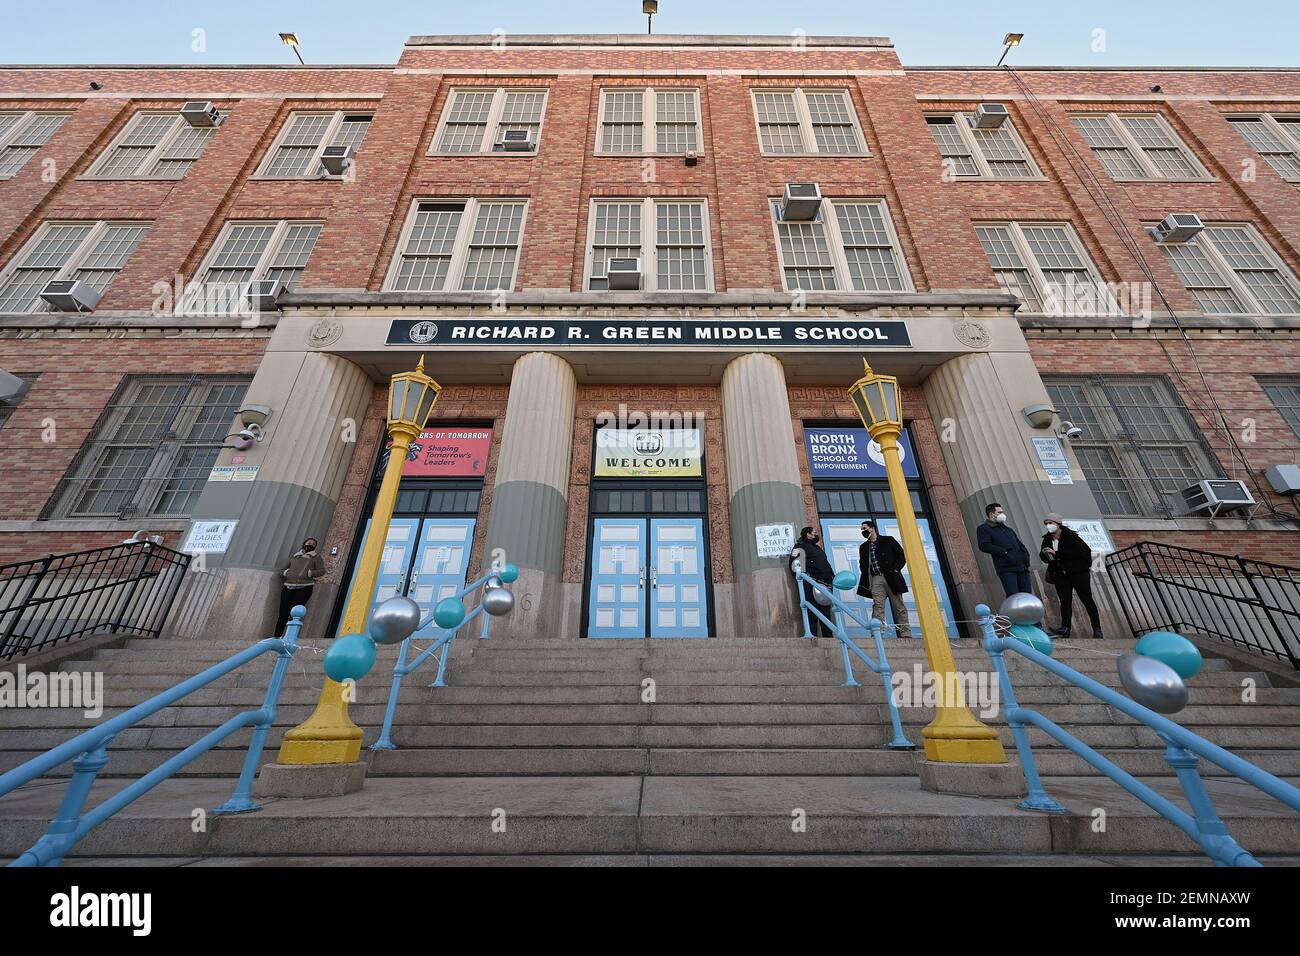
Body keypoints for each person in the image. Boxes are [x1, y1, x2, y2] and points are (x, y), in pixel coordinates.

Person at [1039, 513, 1103, 639]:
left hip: (1078, 573)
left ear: (1058, 524)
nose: (1048, 526)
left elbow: (1082, 552)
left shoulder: (1071, 536)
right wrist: (1045, 553)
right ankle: (1065, 628)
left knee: (1087, 599)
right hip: (1060, 574)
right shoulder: (1047, 539)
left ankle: (1097, 628)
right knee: (1065, 601)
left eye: (1051, 523)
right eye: (1046, 523)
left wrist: (1056, 553)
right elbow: (1044, 557)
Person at [856, 520, 912, 638]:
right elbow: (862, 564)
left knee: (899, 605)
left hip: (891, 577)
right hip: (876, 579)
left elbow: (901, 556)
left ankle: (905, 632)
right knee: (878, 605)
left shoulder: (888, 540)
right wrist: (866, 574)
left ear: (872, 528)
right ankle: (877, 632)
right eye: (861, 529)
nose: (862, 531)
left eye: (864, 528)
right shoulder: (863, 547)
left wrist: (896, 569)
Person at [976, 502, 1033, 597]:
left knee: (1027, 597)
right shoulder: (984, 529)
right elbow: (984, 545)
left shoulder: (1008, 529)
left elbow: (1020, 545)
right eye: (999, 512)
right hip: (1007, 569)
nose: (1003, 514)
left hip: (1022, 568)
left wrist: (1026, 557)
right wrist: (1005, 552)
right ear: (991, 514)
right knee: (1013, 598)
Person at [790, 526, 835, 637]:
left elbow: (825, 563)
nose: (816, 535)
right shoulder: (799, 547)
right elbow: (793, 565)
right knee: (812, 610)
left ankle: (828, 636)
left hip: (825, 584)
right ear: (807, 534)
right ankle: (812, 634)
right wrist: (806, 578)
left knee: (825, 612)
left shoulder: (818, 548)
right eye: (814, 533)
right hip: (810, 584)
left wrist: (831, 576)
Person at [276, 537, 325, 633]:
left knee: (295, 613)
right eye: (309, 542)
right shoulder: (294, 557)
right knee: (283, 612)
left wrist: (310, 573)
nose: (310, 544)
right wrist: (287, 573)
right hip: (288, 586)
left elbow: (322, 571)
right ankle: (277, 635)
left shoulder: (316, 558)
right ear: (304, 543)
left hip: (305, 587)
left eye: (313, 544)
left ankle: (289, 636)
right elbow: (282, 569)